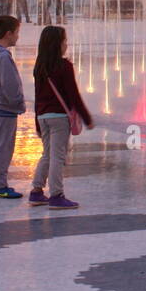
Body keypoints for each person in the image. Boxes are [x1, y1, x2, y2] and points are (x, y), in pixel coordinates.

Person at [29, 25, 94, 209]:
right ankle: (56, 194)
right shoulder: (64, 66)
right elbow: (73, 95)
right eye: (64, 41)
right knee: (58, 156)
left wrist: (37, 121)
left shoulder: (39, 67)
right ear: (57, 45)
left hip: (43, 116)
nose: (67, 44)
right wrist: (86, 118)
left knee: (47, 155)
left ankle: (36, 191)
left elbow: (37, 96)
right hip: (59, 117)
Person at [0, 15, 26, 199]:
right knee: (2, 148)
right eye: (17, 33)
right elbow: (9, 86)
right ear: (8, 34)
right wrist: (18, 103)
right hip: (4, 109)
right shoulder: (2, 58)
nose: (18, 37)